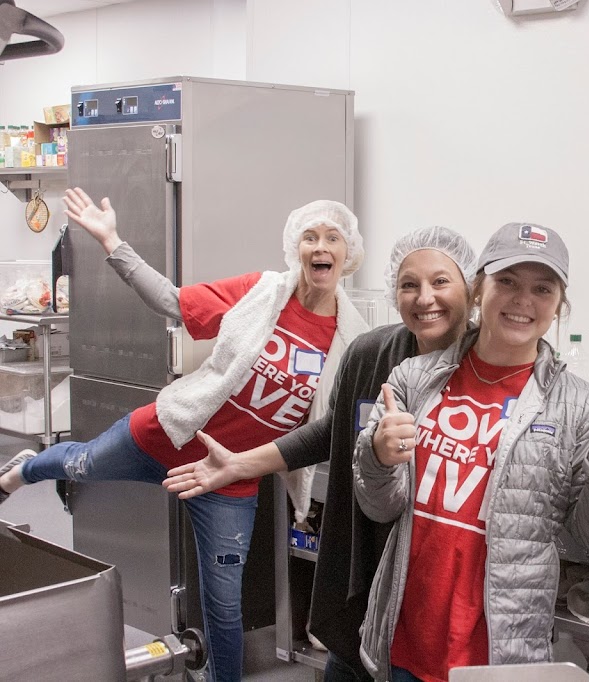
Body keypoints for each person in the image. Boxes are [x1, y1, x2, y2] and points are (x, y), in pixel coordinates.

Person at [0, 187, 368, 682]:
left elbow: (341, 417)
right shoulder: (261, 291)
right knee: (79, 462)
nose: (320, 246)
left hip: (229, 479)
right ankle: (23, 470)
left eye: (332, 238)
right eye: (310, 236)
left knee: (224, 605)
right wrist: (113, 242)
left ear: (348, 256)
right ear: (295, 248)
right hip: (166, 435)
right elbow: (175, 303)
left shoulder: (353, 338)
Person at [161, 226, 479, 681]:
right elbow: (332, 431)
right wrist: (238, 464)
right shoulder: (371, 353)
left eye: (441, 282)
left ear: (469, 284)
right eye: (409, 284)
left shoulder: (486, 368)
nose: (424, 297)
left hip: (436, 584)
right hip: (365, 571)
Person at [353, 222, 589, 681]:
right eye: (507, 282)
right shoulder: (414, 379)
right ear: (479, 288)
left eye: (542, 288)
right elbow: (379, 506)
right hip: (404, 636)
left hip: (502, 651)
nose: (523, 300)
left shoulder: (579, 405)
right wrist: (380, 456)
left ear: (559, 306)